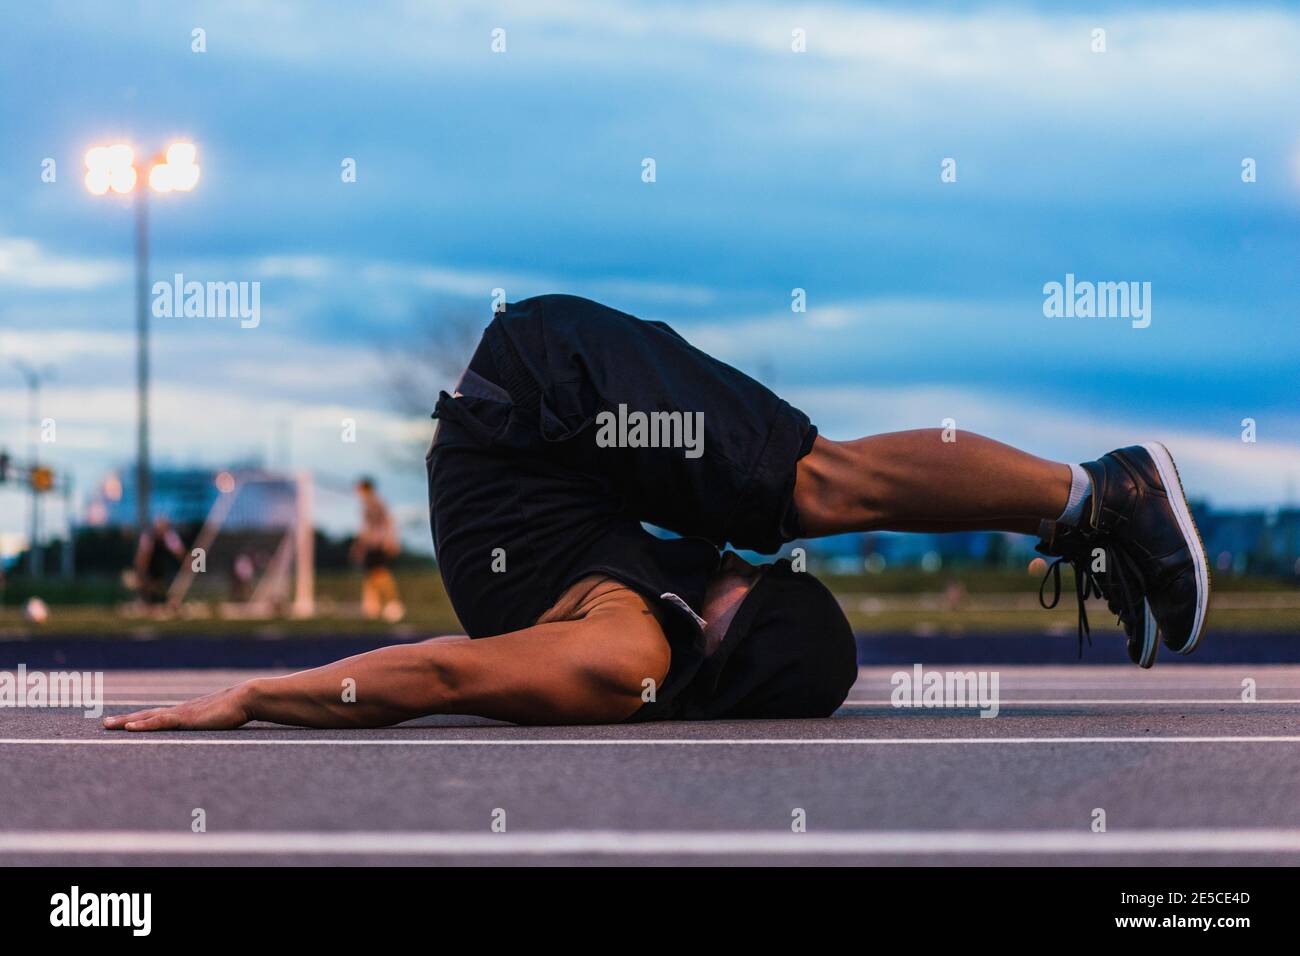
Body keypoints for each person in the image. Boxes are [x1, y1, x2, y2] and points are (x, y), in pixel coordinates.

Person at [105, 295, 1208, 732]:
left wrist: (249, 693)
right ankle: (1088, 502)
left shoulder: (626, 647)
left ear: (722, 626)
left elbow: (433, 674)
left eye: (750, 583)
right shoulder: (636, 598)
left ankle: (1099, 492)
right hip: (559, 428)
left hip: (546, 408)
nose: (733, 563)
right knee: (793, 489)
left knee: (806, 487)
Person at [350, 477, 404, 622]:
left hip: (378, 543)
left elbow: (387, 522)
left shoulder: (376, 503)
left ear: (365, 488)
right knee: (370, 576)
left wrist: (391, 540)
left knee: (380, 574)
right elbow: (366, 527)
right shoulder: (368, 504)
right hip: (371, 544)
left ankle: (393, 603)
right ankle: (372, 608)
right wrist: (360, 545)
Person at [132, 516, 184, 608]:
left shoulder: (169, 535)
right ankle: (146, 599)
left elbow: (179, 551)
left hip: (161, 563)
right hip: (148, 563)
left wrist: (188, 561)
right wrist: (142, 573)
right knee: (147, 583)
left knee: (158, 585)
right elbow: (142, 557)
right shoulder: (148, 537)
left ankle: (160, 598)